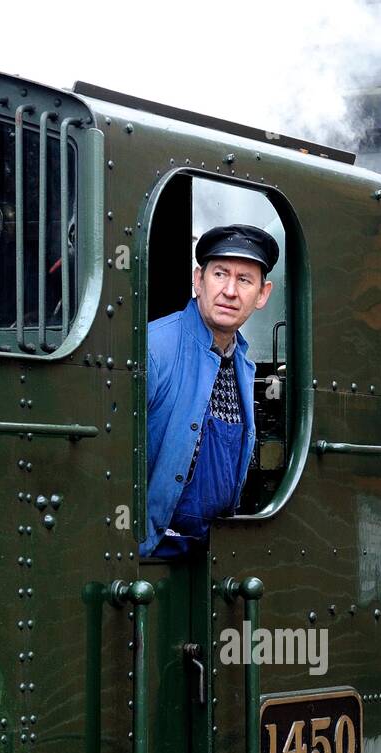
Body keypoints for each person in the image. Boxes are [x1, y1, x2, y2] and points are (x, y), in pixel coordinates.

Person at [142, 223, 279, 557]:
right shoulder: (152, 348)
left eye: (244, 280)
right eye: (220, 274)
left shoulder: (242, 364)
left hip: (210, 556)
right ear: (198, 280)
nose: (230, 291)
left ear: (262, 294)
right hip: (154, 557)